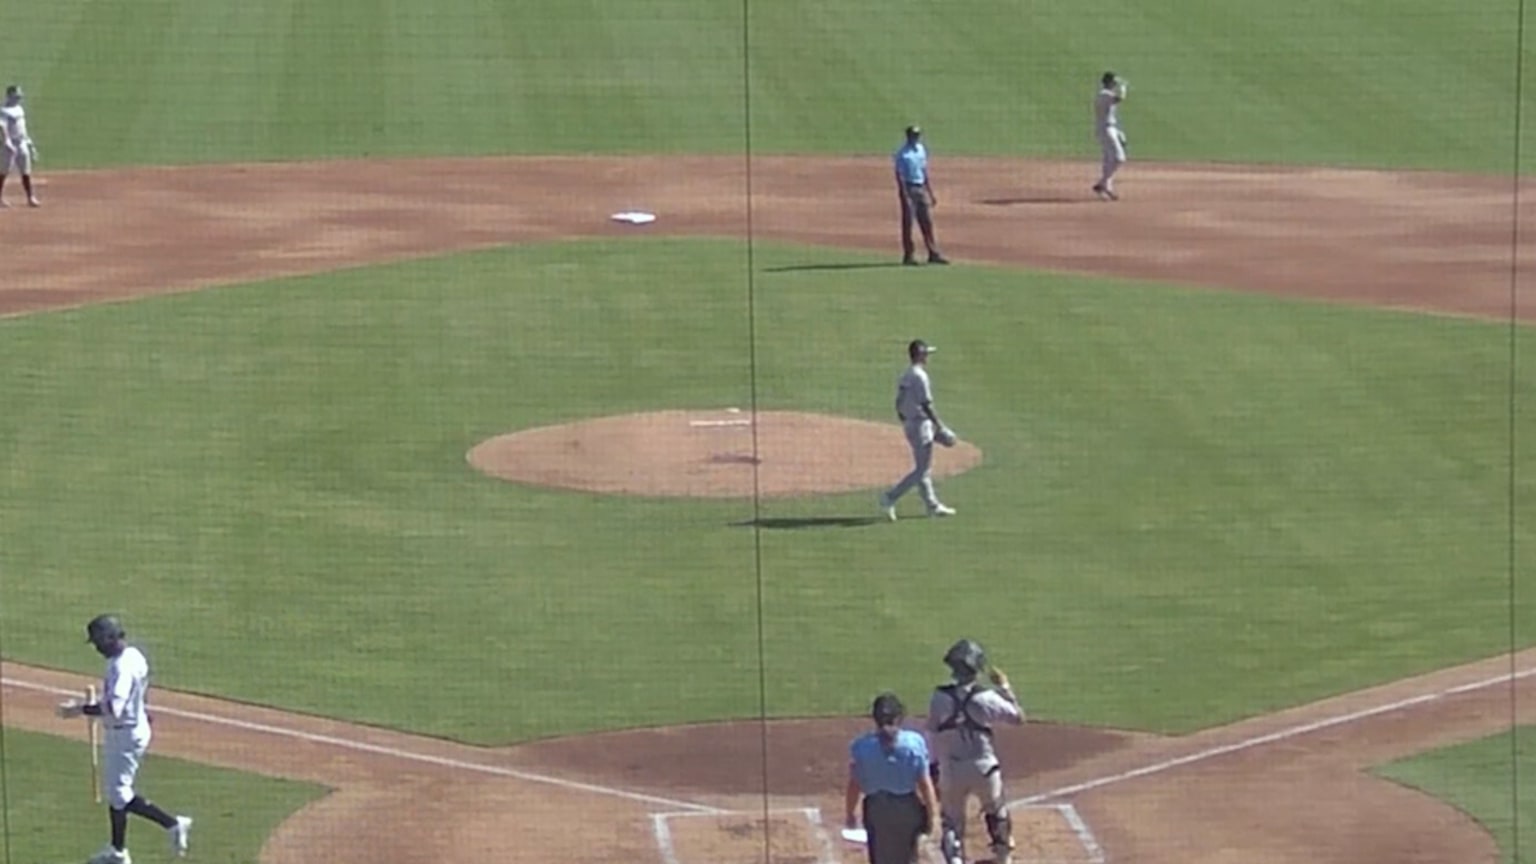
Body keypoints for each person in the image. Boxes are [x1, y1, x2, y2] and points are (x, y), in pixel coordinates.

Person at [57, 615, 192, 864]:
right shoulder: (133, 655)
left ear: (110, 637)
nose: (96, 647)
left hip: (125, 735)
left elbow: (114, 707)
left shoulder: (121, 667)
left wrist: (77, 709)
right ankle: (117, 850)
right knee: (115, 791)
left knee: (119, 794)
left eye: (98, 641)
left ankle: (172, 824)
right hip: (131, 727)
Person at [926, 639, 1025, 864]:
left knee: (951, 821)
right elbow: (1018, 717)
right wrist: (1005, 687)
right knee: (997, 812)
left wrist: (933, 766)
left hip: (951, 768)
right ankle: (1003, 858)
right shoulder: (986, 697)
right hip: (984, 768)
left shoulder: (939, 697)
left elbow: (932, 731)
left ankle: (955, 860)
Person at [845, 692, 941, 864]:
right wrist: (932, 815)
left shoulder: (861, 746)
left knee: (879, 856)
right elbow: (925, 784)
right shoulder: (914, 743)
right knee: (908, 856)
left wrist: (850, 813)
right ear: (899, 717)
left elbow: (855, 784)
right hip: (908, 808)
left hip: (877, 809)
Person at [879, 339, 957, 520]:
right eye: (926, 353)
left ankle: (932, 505)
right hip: (921, 425)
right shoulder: (920, 376)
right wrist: (940, 427)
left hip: (912, 423)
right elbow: (926, 404)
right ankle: (890, 497)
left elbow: (899, 401)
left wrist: (905, 416)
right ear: (920, 355)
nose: (928, 356)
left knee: (924, 469)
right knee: (922, 470)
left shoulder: (907, 374)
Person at [892, 125, 948, 265]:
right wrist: (904, 193)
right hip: (909, 188)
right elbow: (899, 175)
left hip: (920, 187)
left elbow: (924, 171)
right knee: (909, 222)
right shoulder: (902, 154)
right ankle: (909, 255)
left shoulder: (921, 150)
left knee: (926, 221)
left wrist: (930, 191)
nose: (916, 137)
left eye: (917, 135)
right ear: (908, 136)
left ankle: (933, 252)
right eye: (914, 135)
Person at [1, 84, 40, 208]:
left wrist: (30, 143)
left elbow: (23, 128)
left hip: (21, 142)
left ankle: (30, 197)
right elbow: (2, 126)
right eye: (16, 96)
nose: (18, 99)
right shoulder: (3, 111)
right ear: (10, 96)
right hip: (9, 145)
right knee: (3, 172)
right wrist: (7, 141)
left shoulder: (19, 109)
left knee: (26, 171)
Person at [1092, 72, 1128, 201]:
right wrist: (1123, 87)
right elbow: (1120, 98)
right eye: (1114, 82)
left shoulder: (1105, 95)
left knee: (1108, 159)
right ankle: (1102, 183)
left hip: (1109, 128)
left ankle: (1107, 188)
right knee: (1119, 158)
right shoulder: (1104, 95)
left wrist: (1119, 132)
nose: (1115, 84)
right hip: (1106, 129)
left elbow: (1112, 116)